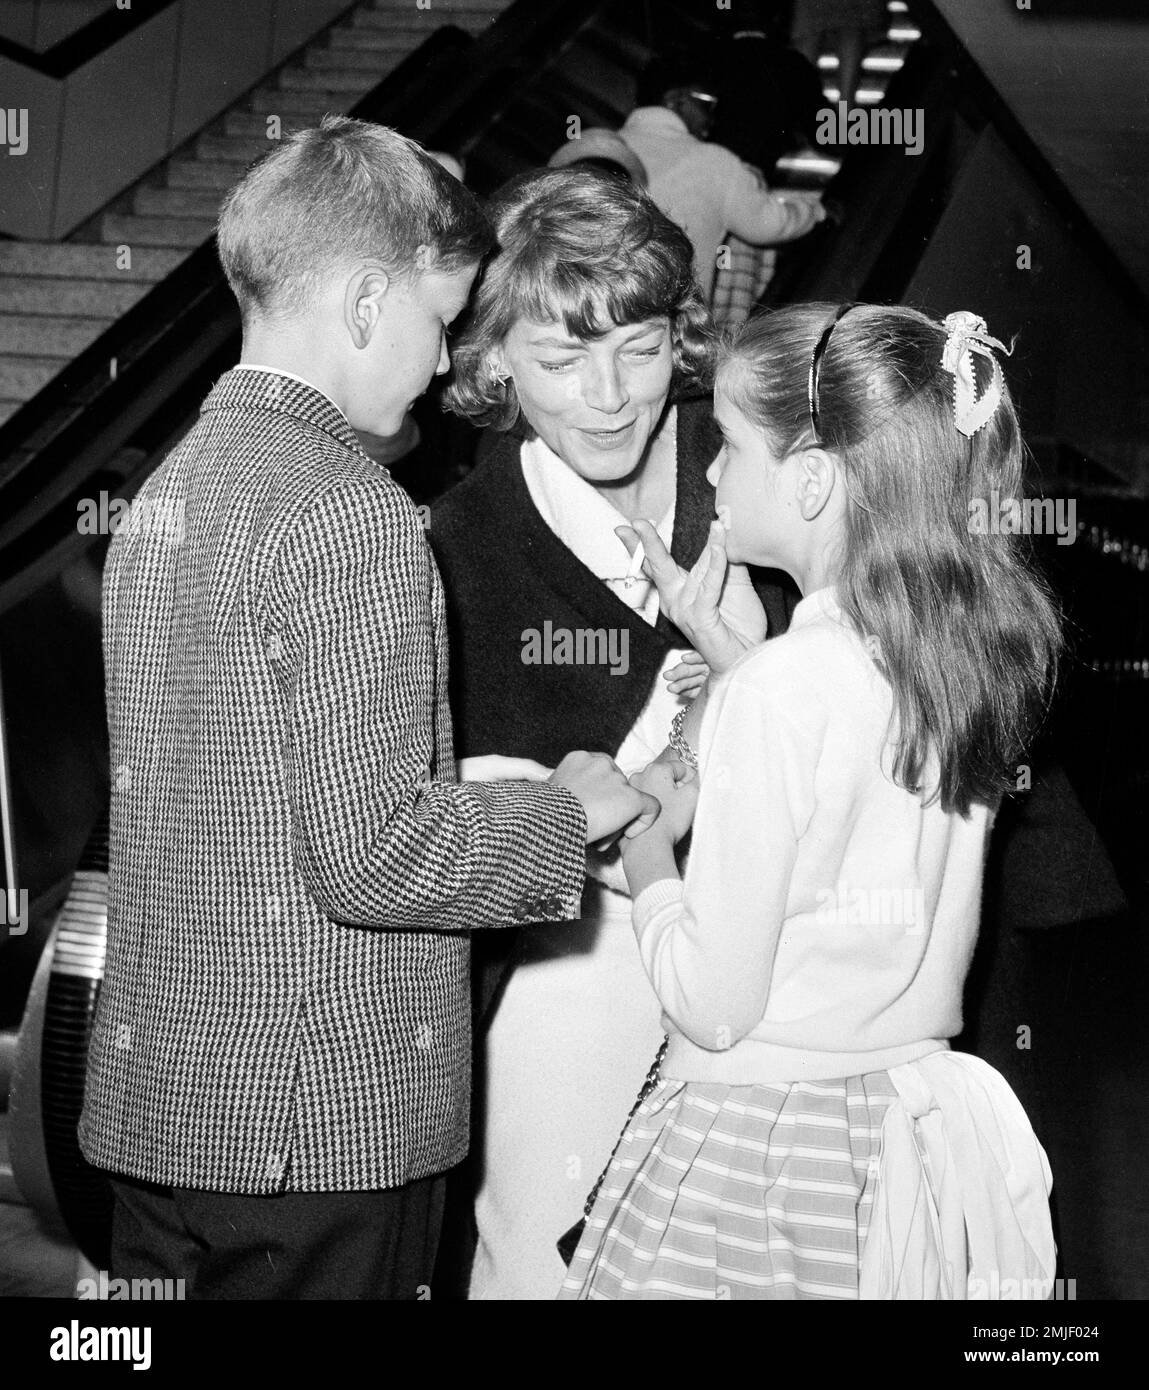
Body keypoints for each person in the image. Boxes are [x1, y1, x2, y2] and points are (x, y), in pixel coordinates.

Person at [77, 117, 657, 1301]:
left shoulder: (164, 494)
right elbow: (374, 855)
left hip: (166, 1116)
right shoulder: (353, 513)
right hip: (323, 1124)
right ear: (359, 305)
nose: (445, 366)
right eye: (441, 324)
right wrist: (567, 810)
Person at [560, 303, 1063, 1299]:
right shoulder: (952, 664)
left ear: (816, 477)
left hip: (759, 1153)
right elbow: (849, 777)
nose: (708, 473)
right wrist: (735, 663)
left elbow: (712, 1004)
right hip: (888, 1142)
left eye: (732, 446)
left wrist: (645, 845)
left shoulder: (781, 689)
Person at [429, 168, 797, 1299]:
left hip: (781, 944)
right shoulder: (459, 545)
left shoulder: (758, 458)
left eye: (638, 349)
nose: (608, 398)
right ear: (492, 362)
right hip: (581, 963)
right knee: (548, 1255)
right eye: (558, 362)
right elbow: (453, 818)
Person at [619, 55, 825, 302]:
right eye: (708, 105)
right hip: (671, 321)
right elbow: (767, 225)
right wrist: (814, 210)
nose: (712, 119)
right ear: (676, 101)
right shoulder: (712, 161)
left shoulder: (593, 152)